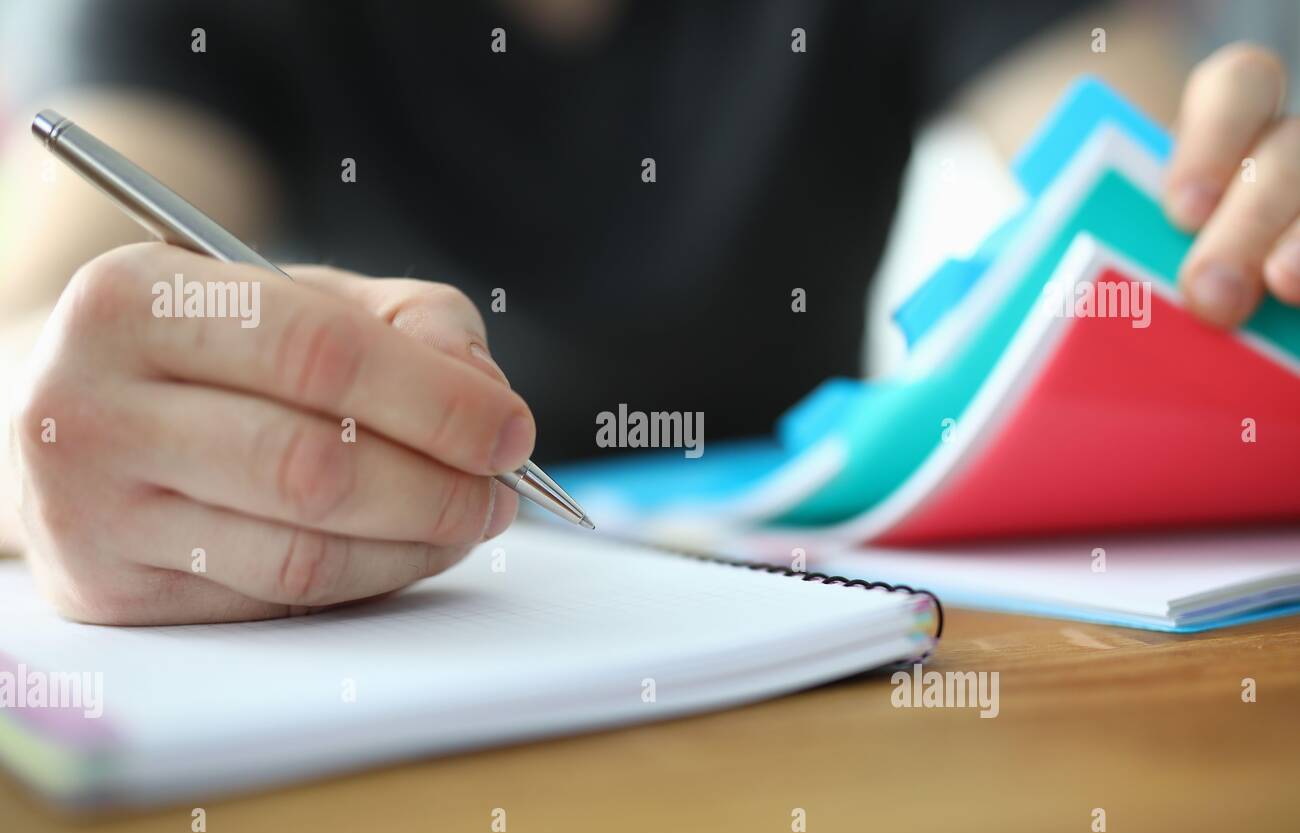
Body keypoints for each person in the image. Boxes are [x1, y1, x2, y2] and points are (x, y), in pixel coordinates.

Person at [0, 0, 1296, 624]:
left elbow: (1151, 192)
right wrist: (49, 421)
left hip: (815, 635)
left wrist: (1244, 219)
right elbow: (40, 303)